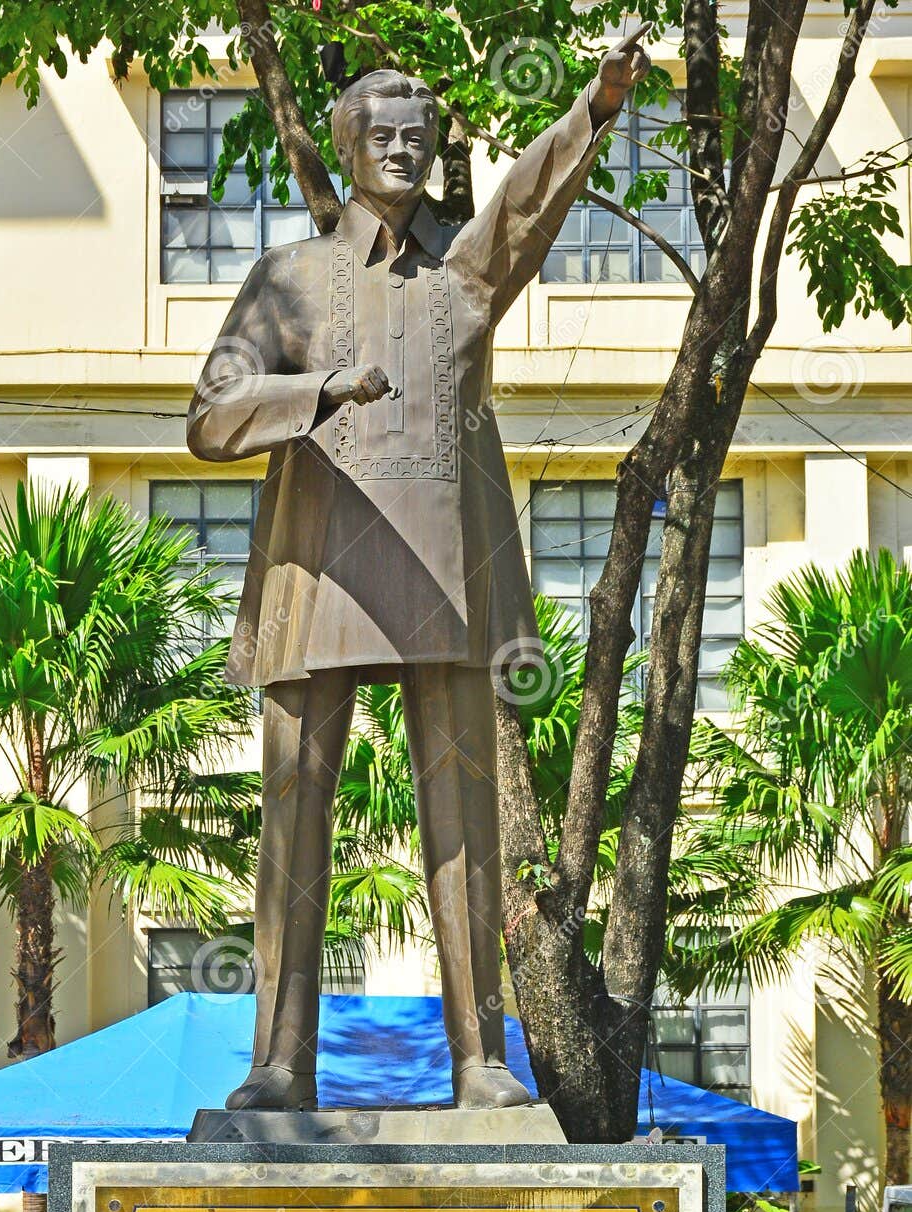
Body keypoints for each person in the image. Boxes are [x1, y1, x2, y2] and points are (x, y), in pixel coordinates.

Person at [187, 31, 651, 1113]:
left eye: (416, 134)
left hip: (448, 573)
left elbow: (527, 208)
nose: (400, 150)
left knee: (468, 830)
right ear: (346, 149)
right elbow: (208, 417)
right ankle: (278, 1063)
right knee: (294, 821)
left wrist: (596, 101)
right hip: (322, 573)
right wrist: (316, 392)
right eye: (380, 134)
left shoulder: (462, 270)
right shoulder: (290, 277)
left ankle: (480, 1060)